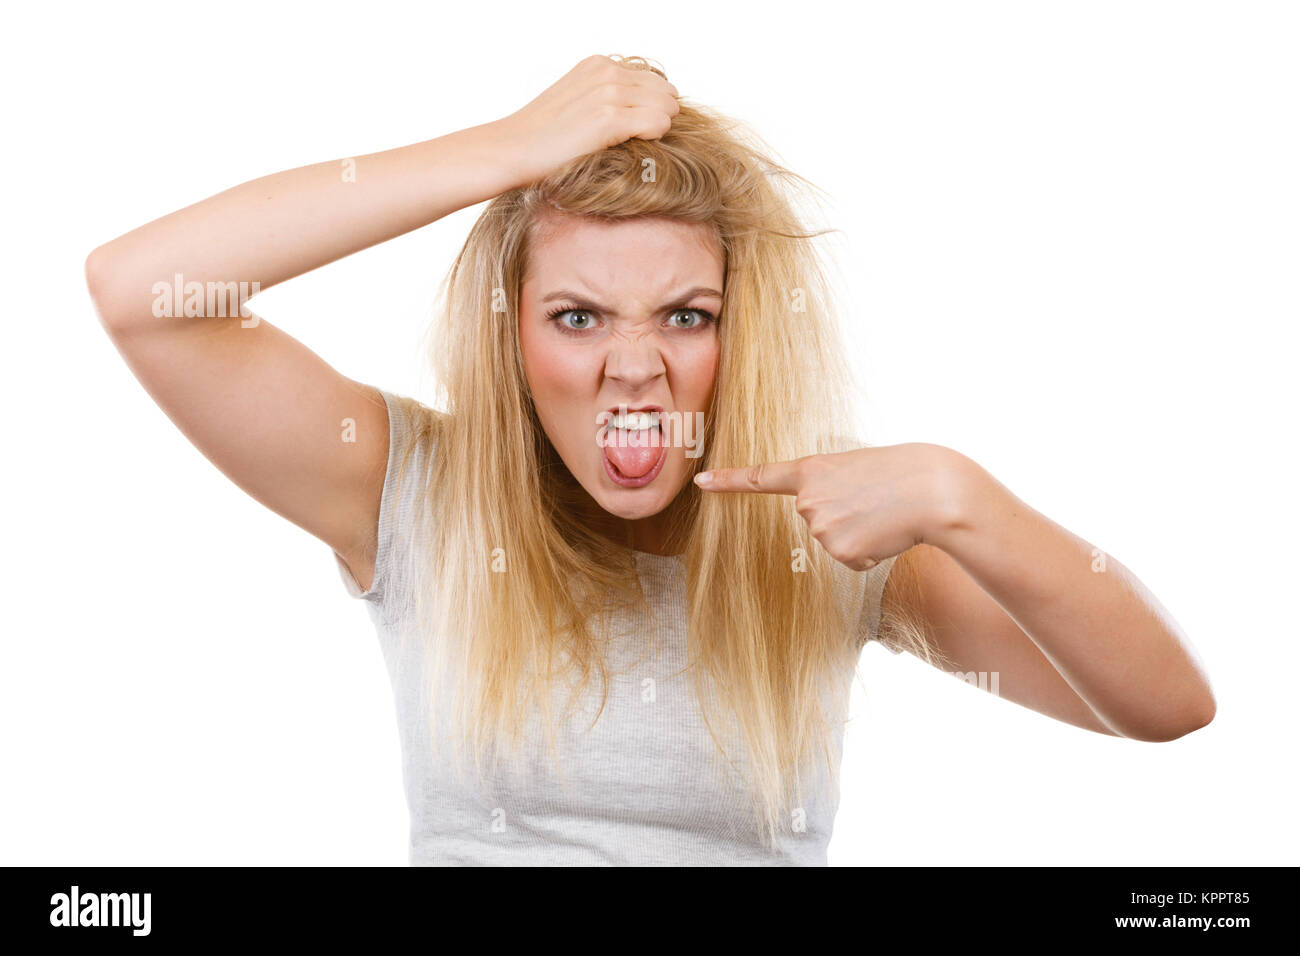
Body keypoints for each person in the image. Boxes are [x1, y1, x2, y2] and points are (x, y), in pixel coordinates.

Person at [85, 54, 1216, 866]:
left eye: (684, 315)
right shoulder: (414, 494)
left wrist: (962, 501)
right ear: (511, 332)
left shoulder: (827, 541)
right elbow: (143, 292)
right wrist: (506, 153)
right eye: (577, 317)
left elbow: (1164, 703)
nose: (635, 368)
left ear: (738, 334)